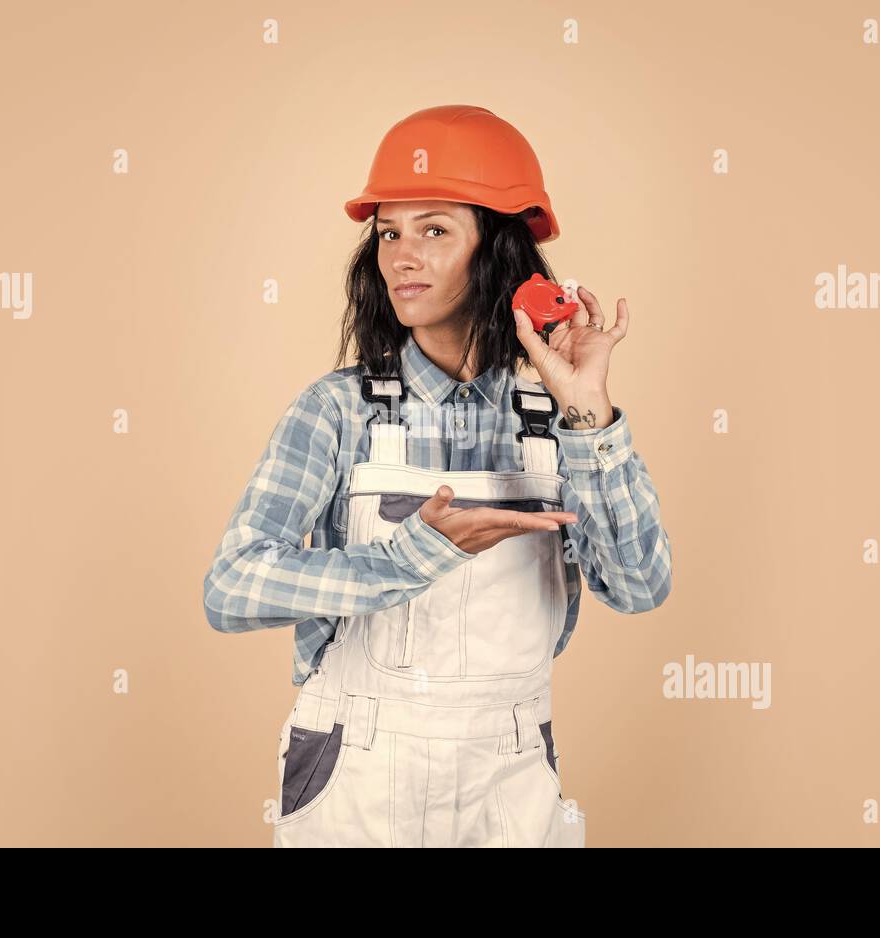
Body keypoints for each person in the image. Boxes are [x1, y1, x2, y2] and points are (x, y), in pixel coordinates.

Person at [203, 104, 672, 847]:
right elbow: (232, 588)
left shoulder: (556, 418)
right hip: (358, 767)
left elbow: (641, 587)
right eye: (389, 232)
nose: (400, 257)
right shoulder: (337, 411)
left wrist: (587, 413)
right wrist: (416, 557)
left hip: (509, 774)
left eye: (434, 230)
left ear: (499, 251)